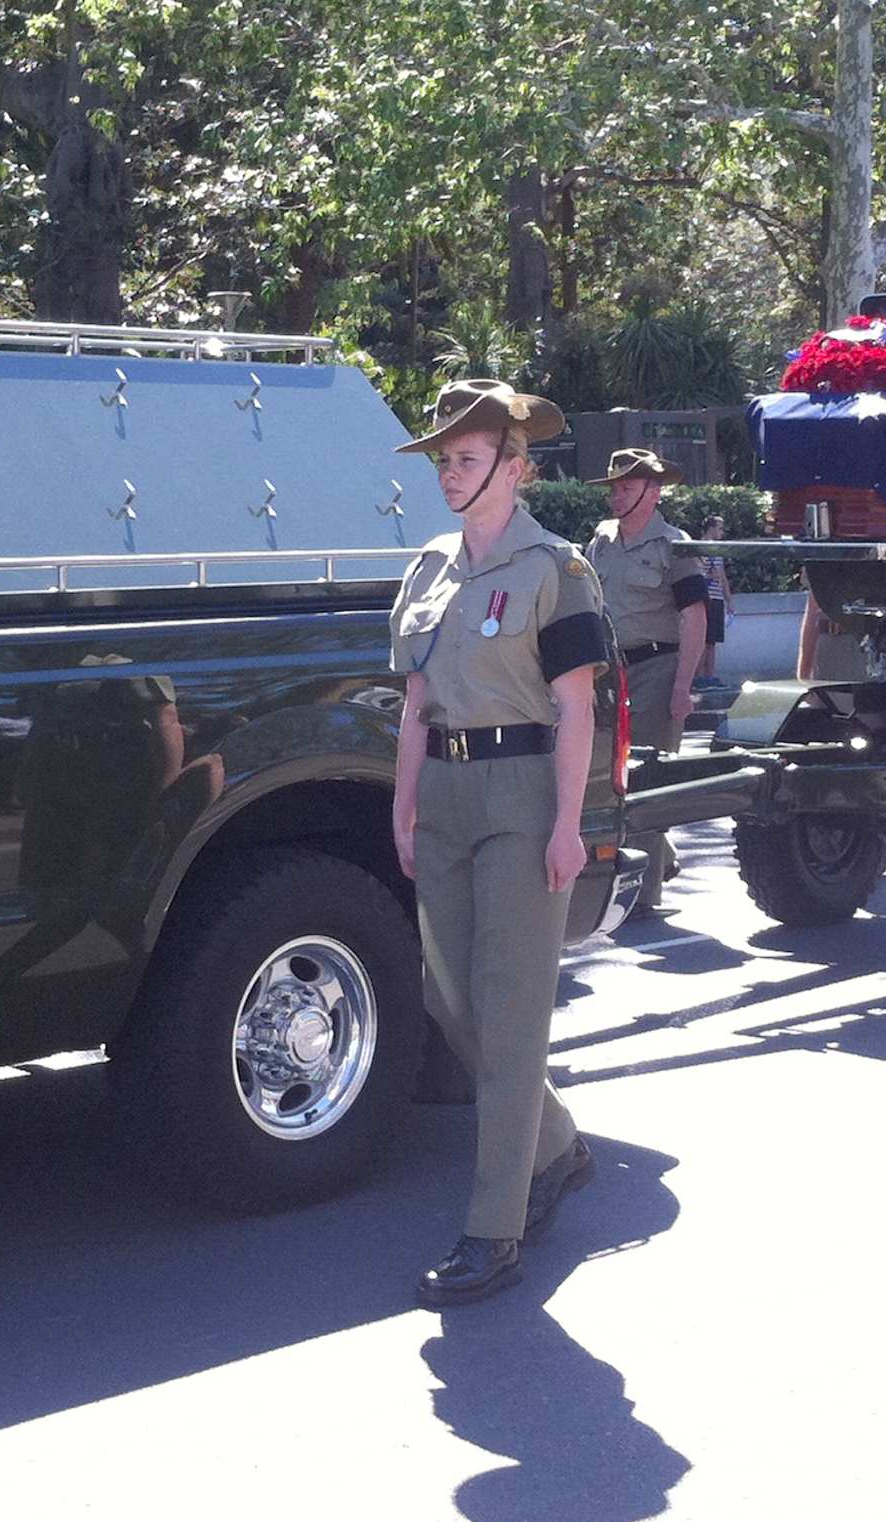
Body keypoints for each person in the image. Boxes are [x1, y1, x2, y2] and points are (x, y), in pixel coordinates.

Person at [389, 378, 613, 1306]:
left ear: (515, 470)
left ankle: (496, 1228)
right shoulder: (429, 567)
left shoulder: (557, 567)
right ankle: (557, 1144)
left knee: (512, 1010)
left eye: (468, 459)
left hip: (523, 790)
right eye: (444, 460)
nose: (451, 473)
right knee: (450, 1000)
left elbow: (576, 705)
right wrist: (402, 809)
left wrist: (570, 823)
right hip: (443, 787)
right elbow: (413, 704)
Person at [585, 449, 709, 913]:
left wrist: (682, 687)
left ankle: (644, 900)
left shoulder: (673, 544)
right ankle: (659, 860)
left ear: (654, 493)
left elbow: (695, 616)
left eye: (627, 487)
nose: (617, 496)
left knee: (647, 781)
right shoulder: (600, 540)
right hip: (609, 673)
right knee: (607, 781)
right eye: (613, 488)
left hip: (657, 671)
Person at [696, 514, 734, 686]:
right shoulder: (699, 548)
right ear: (710, 528)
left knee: (712, 641)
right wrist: (710, 576)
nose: (722, 532)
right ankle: (698, 676)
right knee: (702, 640)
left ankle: (709, 676)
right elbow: (696, 574)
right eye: (719, 528)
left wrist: (729, 600)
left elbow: (722, 576)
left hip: (717, 598)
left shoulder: (718, 550)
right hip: (705, 598)